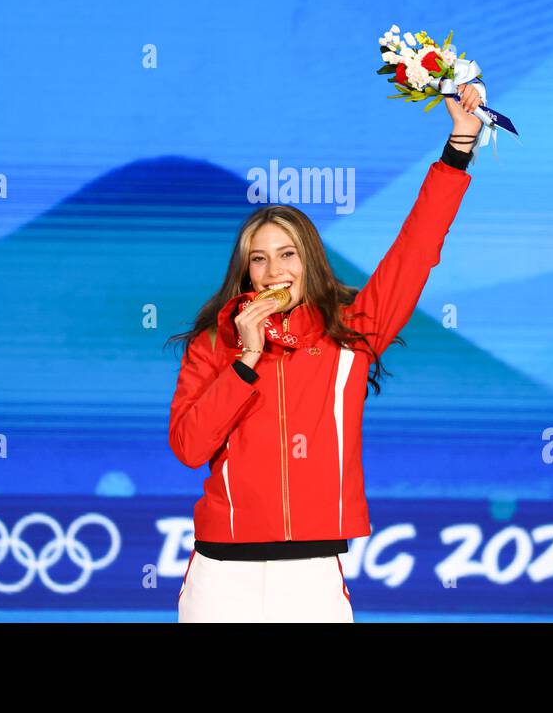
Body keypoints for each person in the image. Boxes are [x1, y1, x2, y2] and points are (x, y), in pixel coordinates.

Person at [166, 85, 485, 621]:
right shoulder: (215, 342)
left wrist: (459, 145)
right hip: (220, 572)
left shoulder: (352, 332)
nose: (274, 272)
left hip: (311, 573)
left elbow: (415, 250)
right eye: (259, 260)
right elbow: (190, 447)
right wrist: (244, 360)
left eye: (287, 255)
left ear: (309, 259)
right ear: (246, 271)